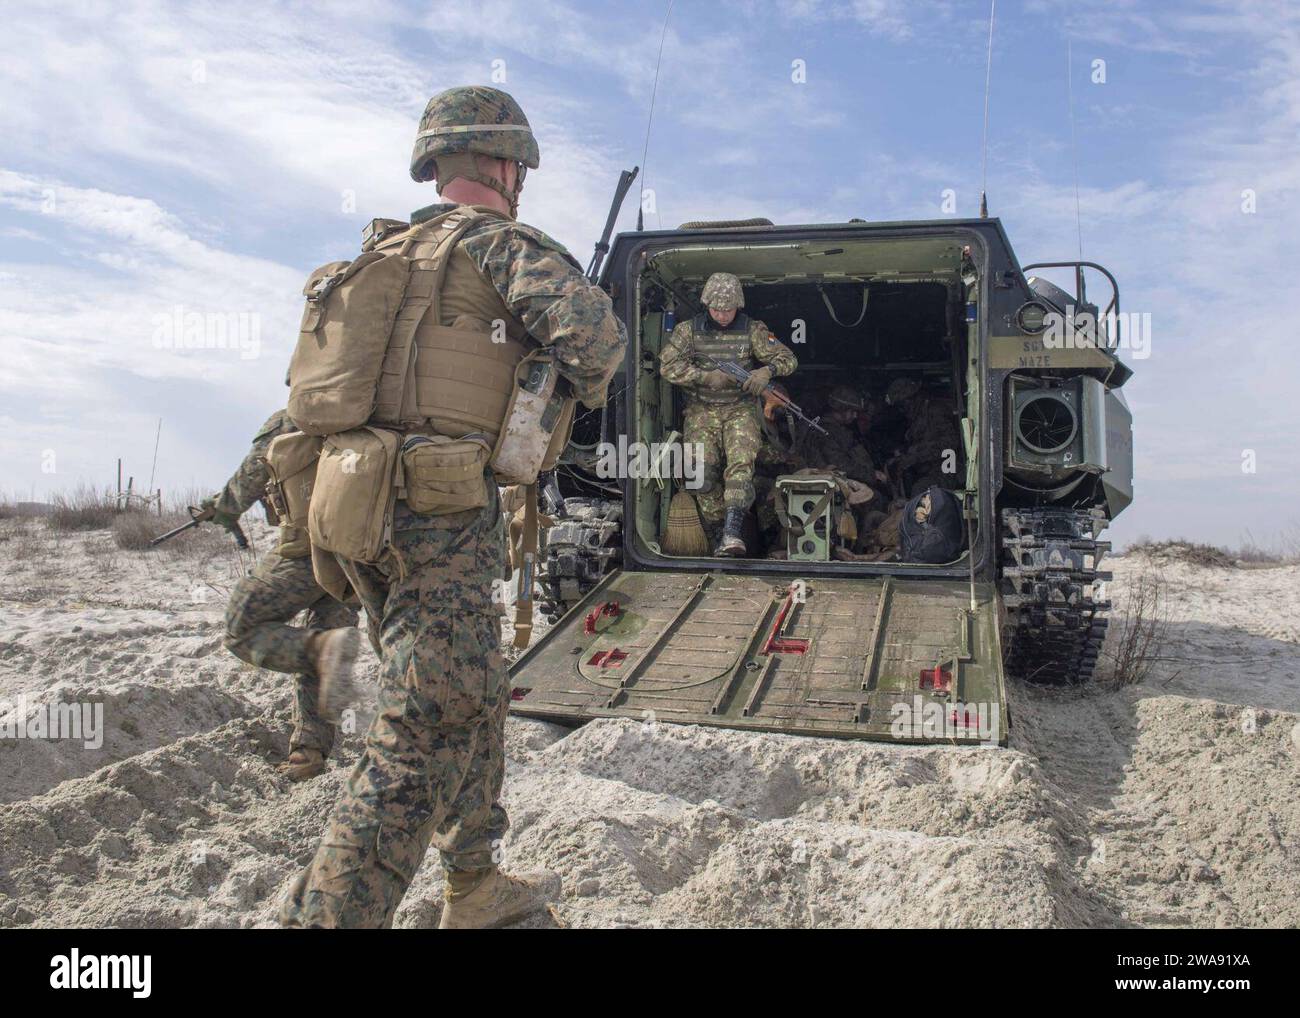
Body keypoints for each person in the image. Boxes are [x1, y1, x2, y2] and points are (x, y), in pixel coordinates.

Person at [279, 86, 626, 930]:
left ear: (436, 165)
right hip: (438, 513)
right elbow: (600, 345)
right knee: (426, 725)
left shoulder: (377, 255)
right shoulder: (503, 247)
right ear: (504, 164)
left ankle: (472, 881)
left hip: (352, 510)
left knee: (470, 686)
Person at [211, 409, 360, 782]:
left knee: (241, 628)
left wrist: (222, 508)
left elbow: (250, 477)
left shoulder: (296, 415)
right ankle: (307, 754)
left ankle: (326, 655)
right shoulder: (372, 415)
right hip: (361, 552)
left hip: (307, 552)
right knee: (322, 640)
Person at [659, 272, 797, 556]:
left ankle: (732, 534)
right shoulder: (688, 331)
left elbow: (788, 359)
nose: (723, 315)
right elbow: (667, 367)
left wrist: (765, 371)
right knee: (702, 476)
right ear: (707, 304)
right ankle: (717, 532)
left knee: (740, 467)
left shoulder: (752, 329)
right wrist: (706, 377)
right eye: (717, 309)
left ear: (739, 306)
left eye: (729, 309)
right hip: (701, 410)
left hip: (739, 408)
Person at [884, 377, 962, 496]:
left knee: (920, 492)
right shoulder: (917, 415)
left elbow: (950, 442)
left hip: (946, 470)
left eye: (902, 404)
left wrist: (916, 456)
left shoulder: (934, 411)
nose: (902, 410)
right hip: (927, 471)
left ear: (910, 399)